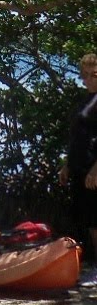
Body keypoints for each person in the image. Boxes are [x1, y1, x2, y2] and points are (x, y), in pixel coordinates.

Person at [59, 53, 97, 266]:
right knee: (87, 220)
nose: (89, 79)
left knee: (96, 221)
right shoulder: (86, 101)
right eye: (85, 75)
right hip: (79, 167)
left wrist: (96, 170)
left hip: (93, 169)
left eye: (94, 75)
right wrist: (66, 165)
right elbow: (76, 135)